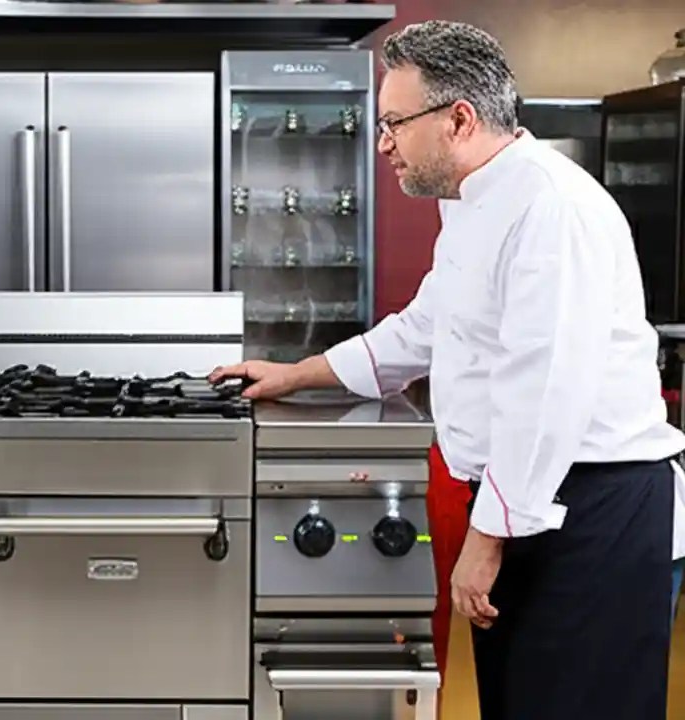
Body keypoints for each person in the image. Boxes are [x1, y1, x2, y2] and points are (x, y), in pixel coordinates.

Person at [210, 19, 685, 720]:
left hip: (591, 515)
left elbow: (544, 390)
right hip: (533, 504)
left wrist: (486, 539)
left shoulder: (550, 207)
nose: (382, 144)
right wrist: (297, 373)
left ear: (459, 119)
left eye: (394, 123)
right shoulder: (472, 202)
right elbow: (426, 327)